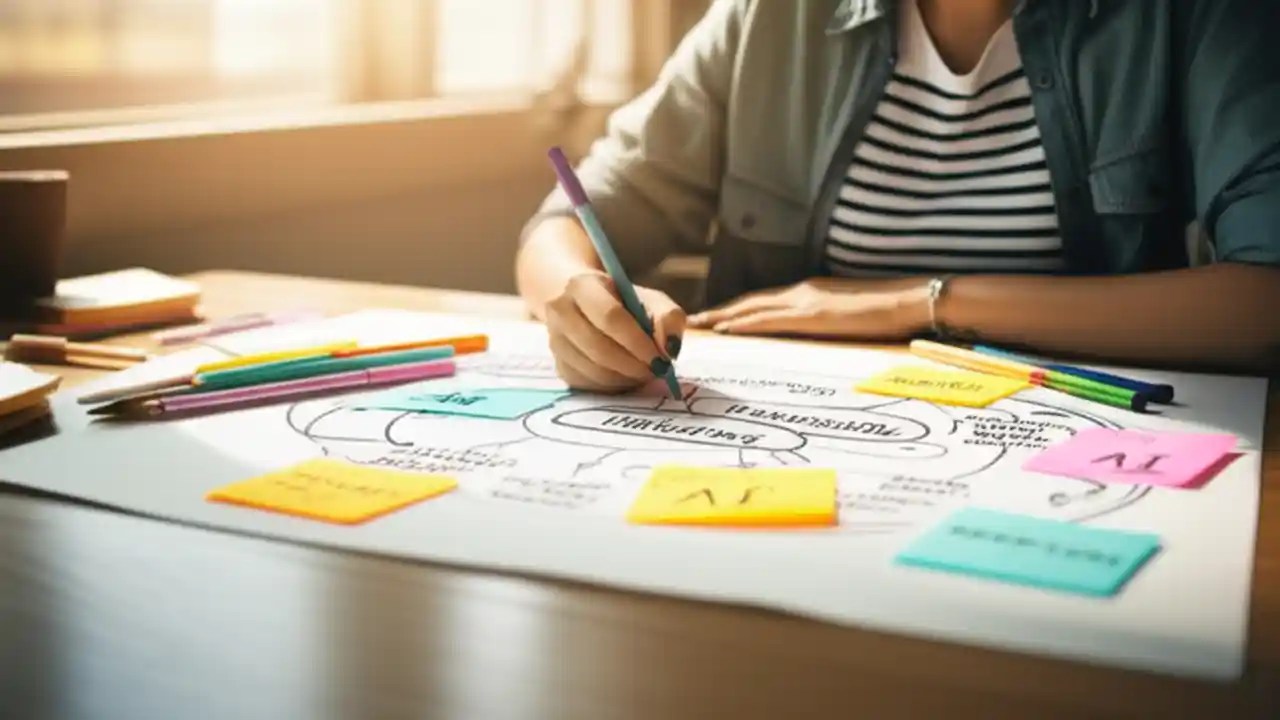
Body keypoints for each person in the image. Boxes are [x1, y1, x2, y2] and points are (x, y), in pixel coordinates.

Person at [515, 0, 1280, 393]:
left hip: (1073, 449)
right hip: (782, 447)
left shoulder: (1190, 15)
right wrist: (573, 299)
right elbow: (571, 223)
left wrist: (922, 302)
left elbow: (1261, 301)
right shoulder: (771, 16)